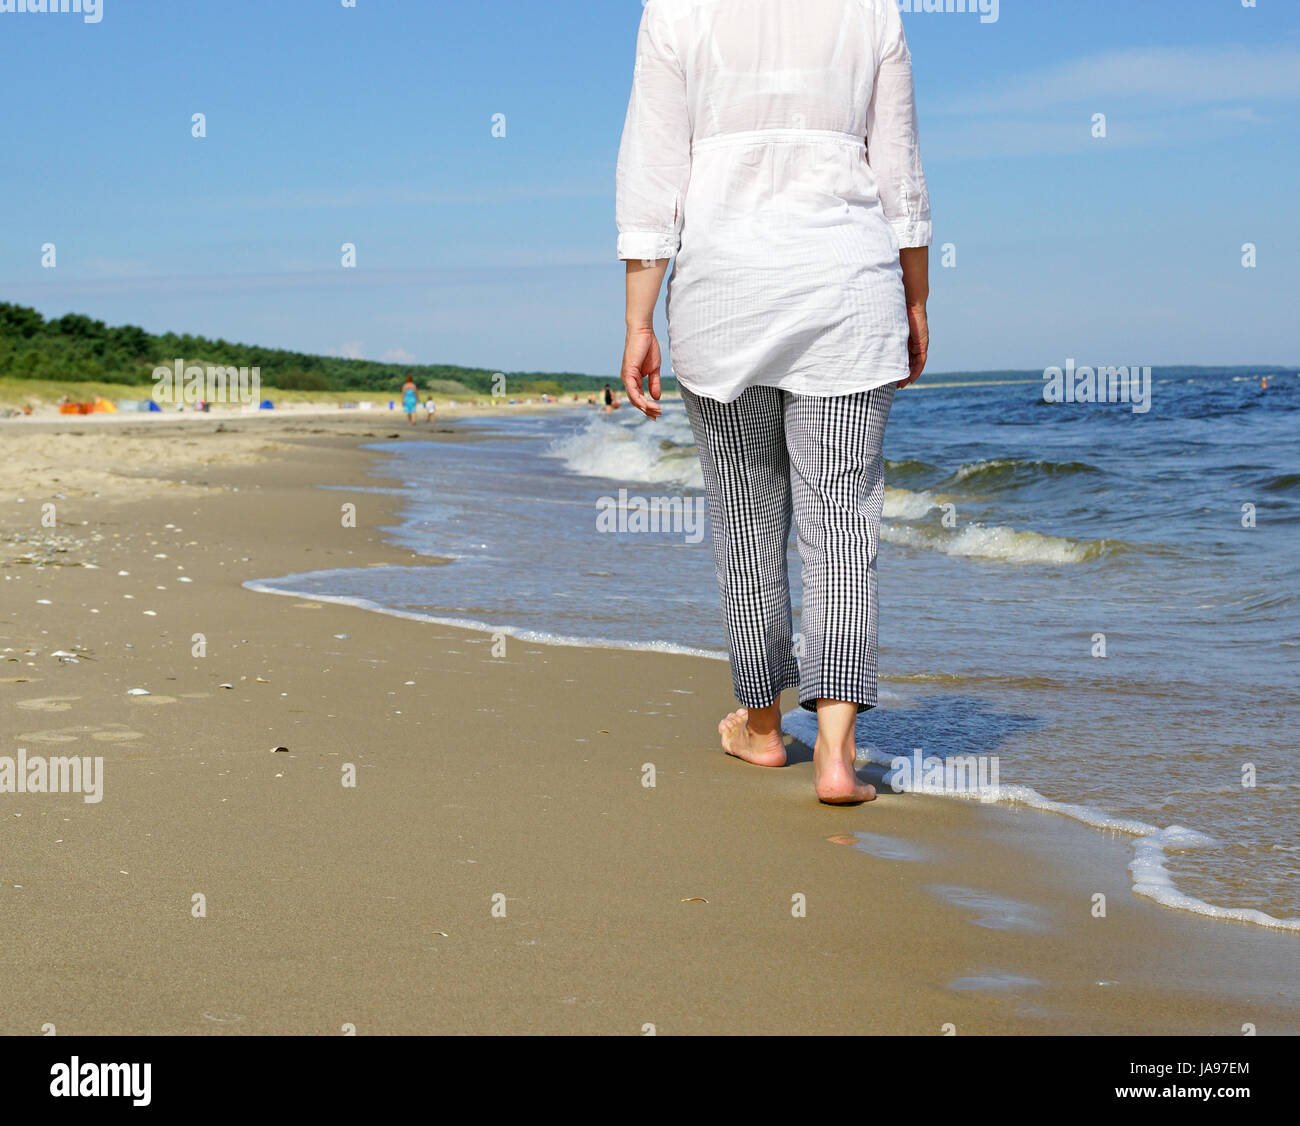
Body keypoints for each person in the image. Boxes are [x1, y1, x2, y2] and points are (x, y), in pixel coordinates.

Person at [615, 0, 931, 804]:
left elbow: (653, 169)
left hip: (724, 296)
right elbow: (899, 172)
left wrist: (638, 320)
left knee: (747, 519)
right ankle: (834, 751)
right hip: (848, 288)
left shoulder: (675, 12)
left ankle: (761, 728)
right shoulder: (872, 11)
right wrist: (917, 300)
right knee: (840, 523)